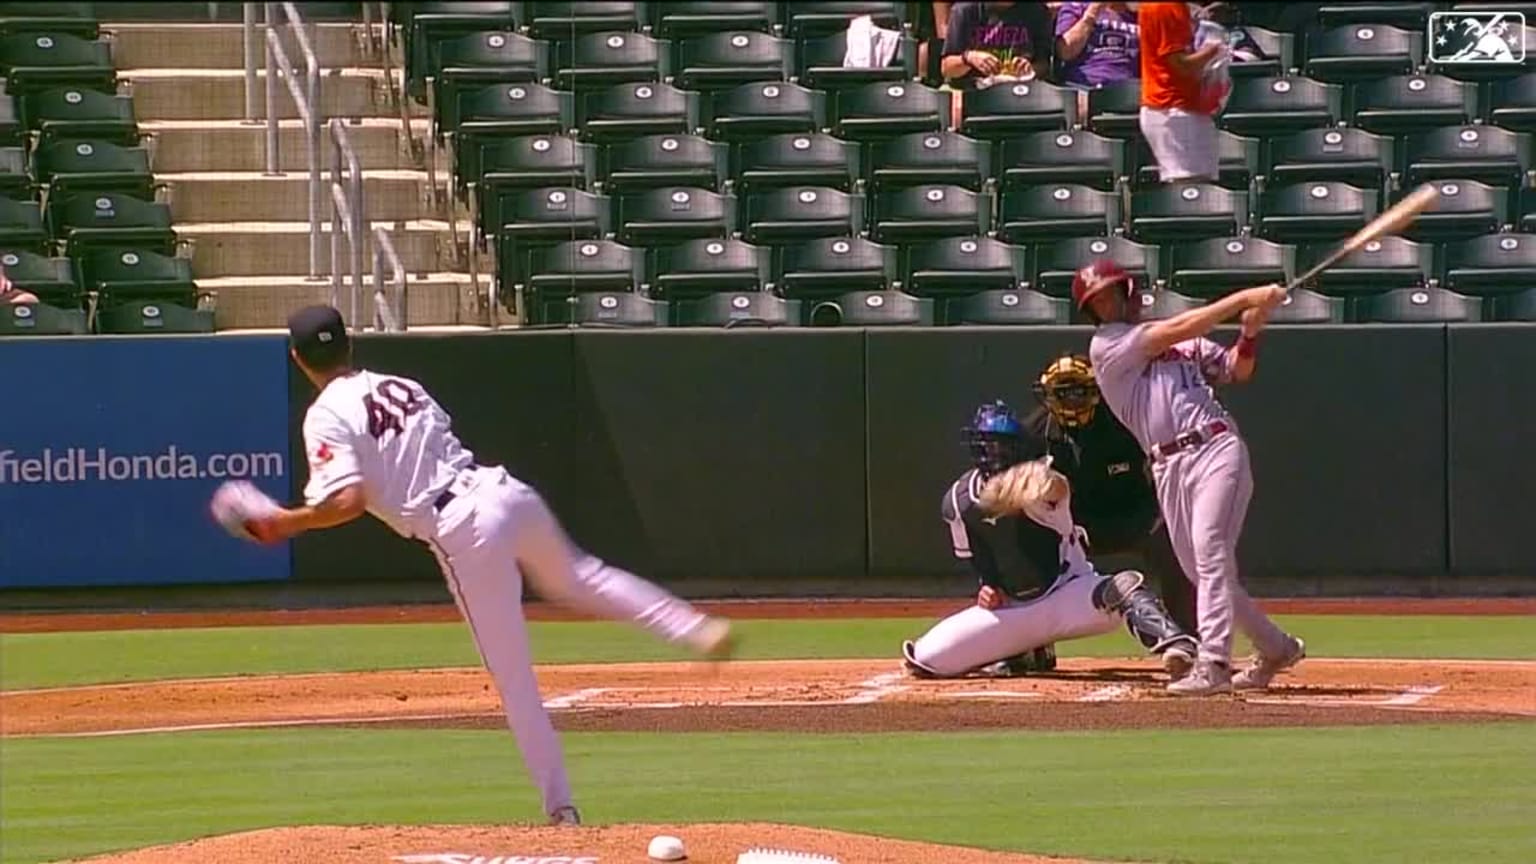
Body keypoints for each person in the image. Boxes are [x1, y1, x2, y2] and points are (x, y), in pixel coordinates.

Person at [239, 305, 736, 825]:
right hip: (503, 491)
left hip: (462, 529)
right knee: (582, 577)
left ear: (297, 358)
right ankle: (695, 628)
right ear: (349, 344)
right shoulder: (401, 385)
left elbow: (348, 500)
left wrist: (284, 523)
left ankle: (561, 811)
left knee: (514, 678)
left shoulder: (324, 414)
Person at [1074, 260, 1306, 696]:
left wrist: (1250, 331)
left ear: (1129, 293)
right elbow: (1178, 328)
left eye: (1109, 296)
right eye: (1096, 303)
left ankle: (1215, 662)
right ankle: (1276, 647)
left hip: (1215, 447)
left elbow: (1236, 370)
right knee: (1203, 572)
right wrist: (1245, 299)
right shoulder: (1108, 345)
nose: (1105, 306)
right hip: (1166, 465)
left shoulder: (1185, 344)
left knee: (1210, 551)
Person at [901, 400, 1198, 680]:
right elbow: (979, 560)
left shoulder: (1042, 481)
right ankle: (1027, 651)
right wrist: (987, 587)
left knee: (1122, 586)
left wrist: (1031, 483)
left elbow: (1058, 489)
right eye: (988, 446)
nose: (994, 454)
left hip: (1070, 595)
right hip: (1012, 611)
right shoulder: (958, 501)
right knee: (926, 659)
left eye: (1002, 446)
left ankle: (1176, 645)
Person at [1027, 353, 1197, 638]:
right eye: (1063, 393)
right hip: (1069, 529)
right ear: (1047, 395)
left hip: (1131, 517)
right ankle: (1027, 646)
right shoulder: (1034, 434)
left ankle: (1190, 636)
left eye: (1079, 392)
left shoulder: (1126, 421)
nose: (1072, 400)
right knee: (1029, 544)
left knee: (1172, 539)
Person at [1137, 1, 1225, 183]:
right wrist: (1213, 48)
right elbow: (1180, 65)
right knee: (1189, 186)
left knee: (1203, 184)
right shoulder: (1164, 6)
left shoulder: (1177, 7)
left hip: (1185, 106)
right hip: (1172, 109)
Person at [941, 1, 1055, 88]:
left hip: (1021, 91)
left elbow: (1044, 65)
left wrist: (1030, 69)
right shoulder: (965, 10)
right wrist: (969, 58)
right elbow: (947, 68)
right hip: (973, 92)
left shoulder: (1036, 11)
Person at [1054, 2, 1140, 88]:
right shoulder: (1077, 6)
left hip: (1131, 88)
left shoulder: (1141, 13)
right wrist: (1091, 15)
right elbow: (1065, 52)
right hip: (1086, 85)